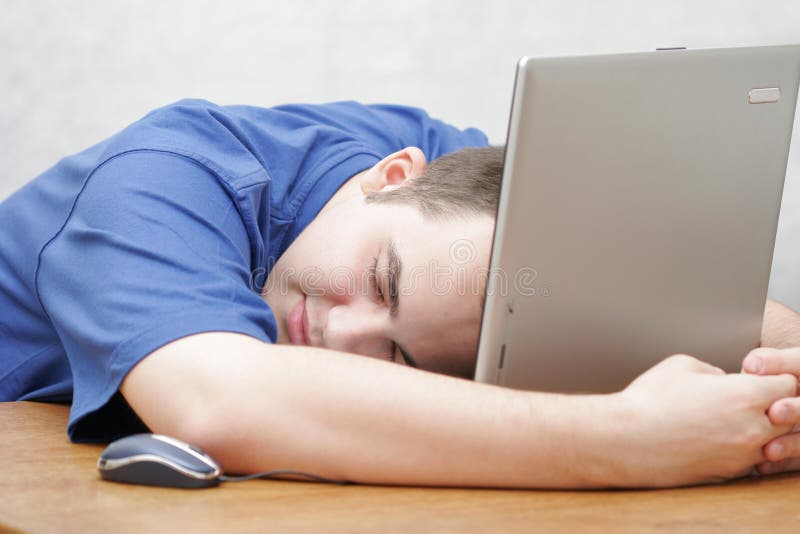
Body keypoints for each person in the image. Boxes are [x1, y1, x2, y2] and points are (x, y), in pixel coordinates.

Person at [1, 99, 799, 488]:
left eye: (397, 355)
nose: (346, 335)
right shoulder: (152, 183)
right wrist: (631, 438)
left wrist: (781, 389)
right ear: (390, 174)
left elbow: (692, 300)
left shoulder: (446, 195)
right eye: (383, 282)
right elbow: (221, 406)